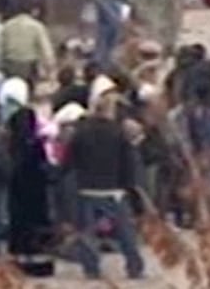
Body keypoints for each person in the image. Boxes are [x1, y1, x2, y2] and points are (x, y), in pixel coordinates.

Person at [64, 91, 146, 280]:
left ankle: (92, 268)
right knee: (126, 232)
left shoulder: (81, 133)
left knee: (87, 232)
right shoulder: (119, 134)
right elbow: (128, 163)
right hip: (113, 189)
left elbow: (69, 162)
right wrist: (129, 186)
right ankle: (134, 266)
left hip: (87, 188)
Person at [6, 108, 52, 276]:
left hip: (17, 191)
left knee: (19, 228)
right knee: (36, 228)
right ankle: (39, 265)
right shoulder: (36, 143)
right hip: (36, 192)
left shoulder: (11, 143)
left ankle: (19, 262)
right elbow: (43, 166)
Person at [0, 1, 56, 92]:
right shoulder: (37, 26)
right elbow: (46, 51)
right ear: (33, 11)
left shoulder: (7, 26)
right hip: (29, 67)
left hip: (9, 66)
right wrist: (50, 70)